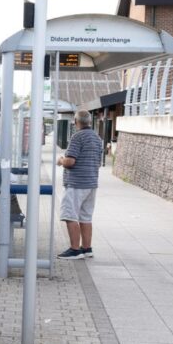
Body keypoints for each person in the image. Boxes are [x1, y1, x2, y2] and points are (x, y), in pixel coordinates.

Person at [56, 110, 103, 259]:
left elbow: (70, 161)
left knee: (70, 215)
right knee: (86, 217)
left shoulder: (77, 137)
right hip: (91, 183)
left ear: (76, 122)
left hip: (76, 184)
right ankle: (87, 248)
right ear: (89, 121)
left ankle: (75, 249)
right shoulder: (97, 138)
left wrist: (61, 160)